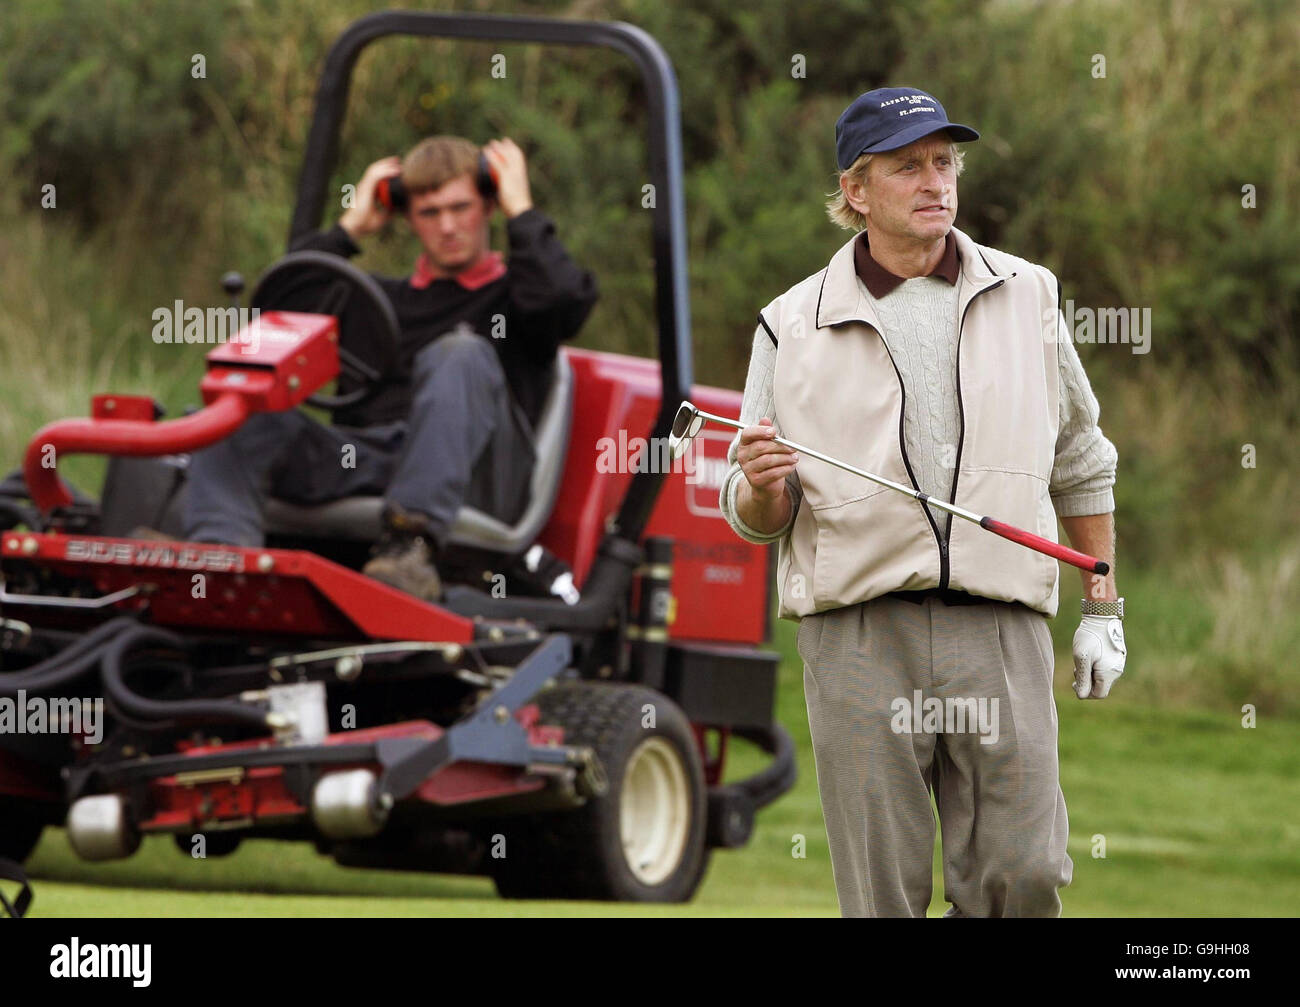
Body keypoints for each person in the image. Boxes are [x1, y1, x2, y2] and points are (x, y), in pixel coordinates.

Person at [718, 88, 1127, 917]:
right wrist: (762, 488)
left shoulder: (1031, 296)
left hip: (1002, 626)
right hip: (860, 634)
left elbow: (1081, 457)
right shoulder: (790, 323)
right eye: (909, 166)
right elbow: (754, 510)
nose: (935, 181)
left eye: (945, 163)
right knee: (882, 894)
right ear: (857, 190)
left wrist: (1103, 605)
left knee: (1026, 871)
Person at [183, 136, 598, 600]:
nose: (448, 226)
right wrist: (349, 229)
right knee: (237, 412)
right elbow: (275, 318)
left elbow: (566, 302)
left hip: (476, 473)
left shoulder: (522, 300)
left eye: (461, 208)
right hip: (372, 460)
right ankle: (219, 564)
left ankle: (409, 550)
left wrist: (521, 208)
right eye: (429, 213)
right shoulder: (371, 301)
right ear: (406, 218)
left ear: (489, 206)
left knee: (459, 353)